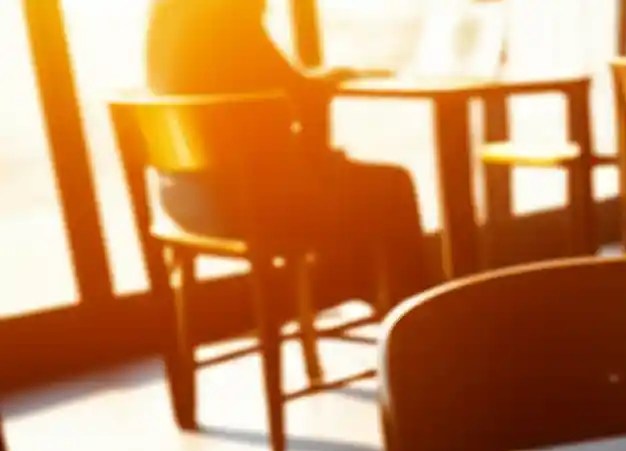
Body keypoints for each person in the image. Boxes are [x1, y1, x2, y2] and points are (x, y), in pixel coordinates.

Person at [145, 0, 434, 299]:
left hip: (185, 203)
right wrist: (331, 79)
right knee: (392, 185)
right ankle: (417, 319)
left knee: (344, 180)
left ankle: (360, 288)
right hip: (245, 205)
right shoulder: (228, 17)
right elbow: (298, 92)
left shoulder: (165, 16)